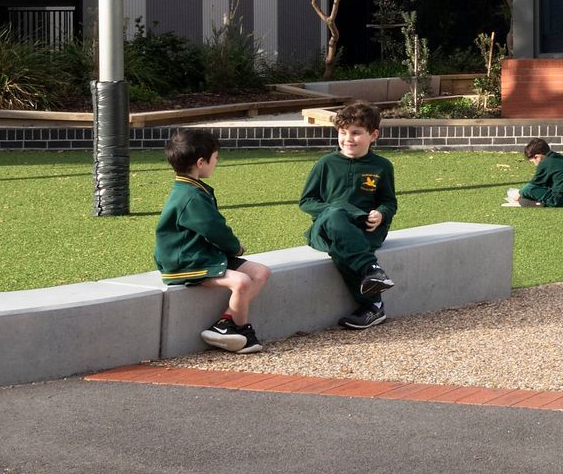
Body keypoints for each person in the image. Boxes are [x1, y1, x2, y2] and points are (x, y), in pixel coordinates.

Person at [155, 127, 271, 353]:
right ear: (201, 162)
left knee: (261, 272)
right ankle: (241, 329)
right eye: (215, 158)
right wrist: (235, 248)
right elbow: (214, 229)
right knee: (241, 282)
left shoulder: (193, 189)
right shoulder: (190, 196)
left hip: (203, 253)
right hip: (185, 262)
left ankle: (225, 323)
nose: (216, 162)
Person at [299, 101, 397, 330]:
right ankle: (372, 274)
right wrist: (342, 211)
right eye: (343, 133)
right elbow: (307, 202)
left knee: (342, 246)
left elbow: (389, 202)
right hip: (325, 229)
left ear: (373, 135)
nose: (348, 139)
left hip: (366, 231)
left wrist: (381, 214)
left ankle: (374, 308)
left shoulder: (382, 166)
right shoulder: (325, 164)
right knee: (336, 215)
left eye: (356, 133)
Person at [506, 138, 563, 208]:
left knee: (527, 189)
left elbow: (534, 185)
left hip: (559, 199)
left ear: (537, 156)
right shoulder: (560, 157)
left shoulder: (545, 163)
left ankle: (536, 202)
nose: (535, 164)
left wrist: (519, 193)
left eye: (533, 161)